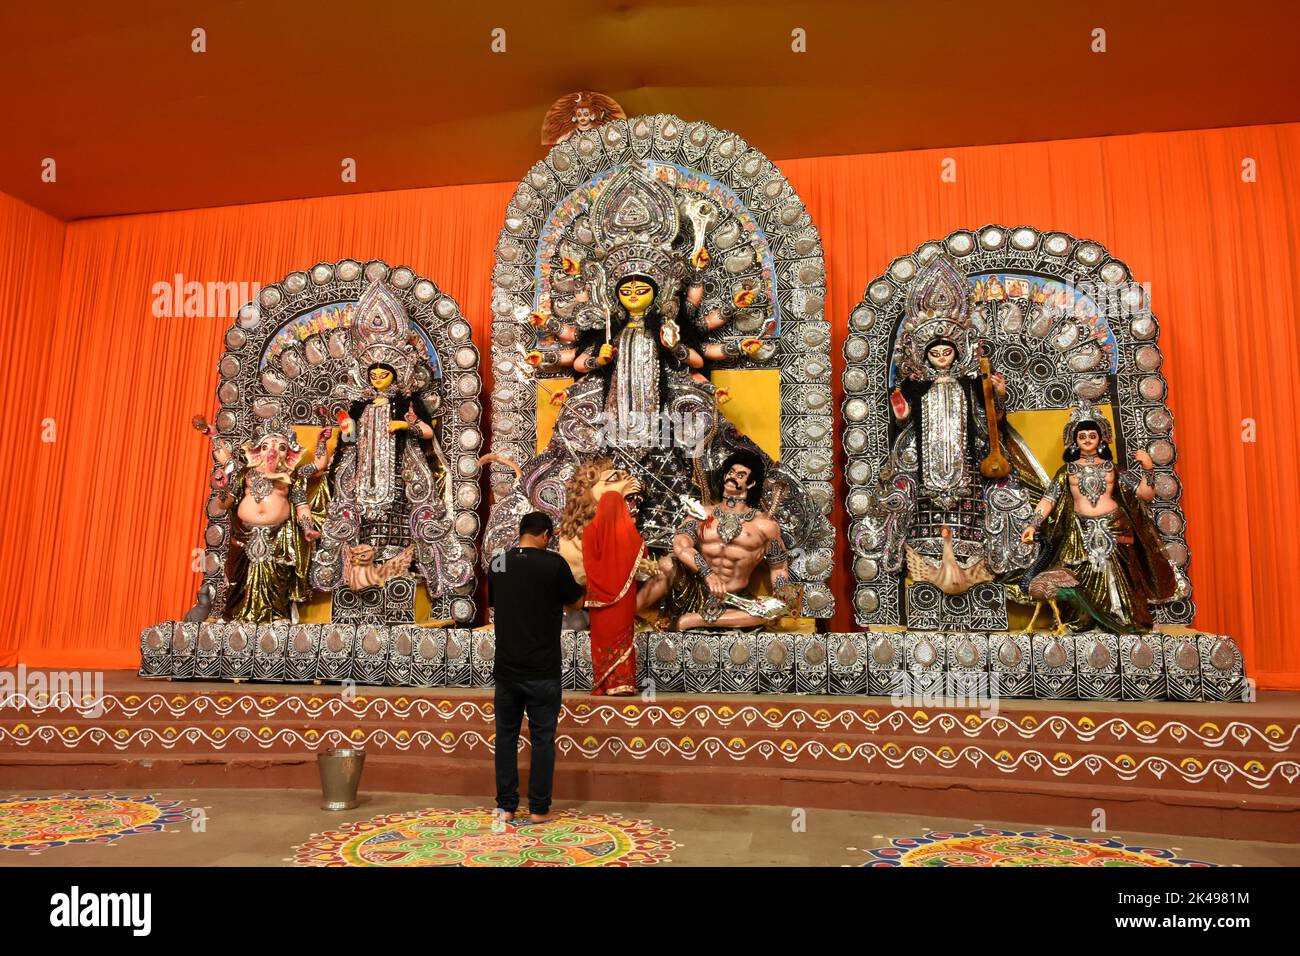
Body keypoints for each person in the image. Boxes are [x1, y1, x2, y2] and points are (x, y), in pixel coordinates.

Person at [488, 511, 584, 823]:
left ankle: (506, 806)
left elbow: (496, 603)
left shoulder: (499, 563)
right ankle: (539, 809)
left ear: (521, 532)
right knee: (542, 738)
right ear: (546, 535)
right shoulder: (553, 564)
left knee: (506, 736)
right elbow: (576, 603)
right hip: (543, 669)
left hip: (507, 668)